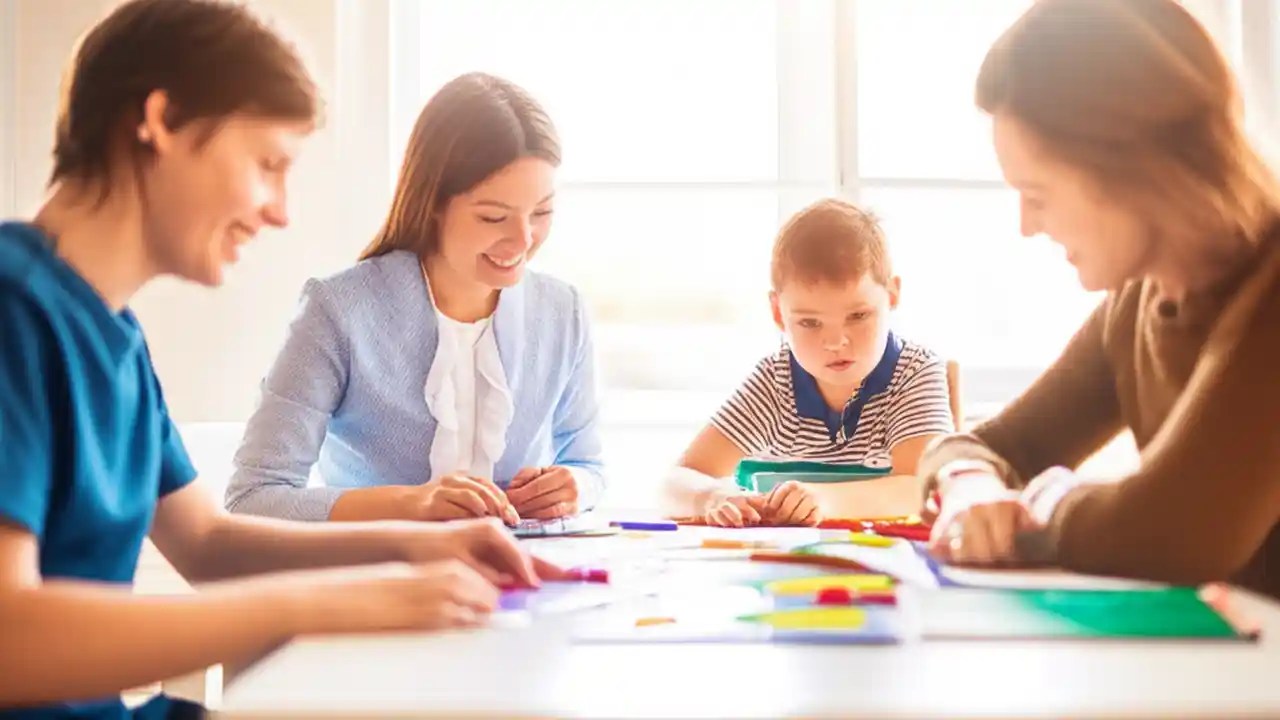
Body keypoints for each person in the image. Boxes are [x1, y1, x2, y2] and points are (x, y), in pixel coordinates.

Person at [0, 3, 560, 717]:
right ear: (162, 122)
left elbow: (206, 542)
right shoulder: (14, 309)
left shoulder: (115, 337)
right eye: (268, 165)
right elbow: (8, 638)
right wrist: (346, 597)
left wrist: (428, 546)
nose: (280, 211)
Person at [919, 0, 1280, 599]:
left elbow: (1173, 533)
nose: (1026, 226)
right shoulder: (1140, 302)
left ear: (1133, 167)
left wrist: (1045, 500)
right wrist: (969, 485)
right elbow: (989, 444)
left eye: (1038, 193)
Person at [225, 72, 605, 525]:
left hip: (522, 578)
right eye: (493, 217)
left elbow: (589, 466)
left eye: (542, 212)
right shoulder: (339, 310)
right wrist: (411, 504)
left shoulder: (564, 312)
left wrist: (574, 488)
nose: (523, 239)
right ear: (433, 203)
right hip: (382, 579)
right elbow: (254, 498)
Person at [662, 199, 955, 527]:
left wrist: (824, 499)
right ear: (778, 313)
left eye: (858, 316)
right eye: (810, 323)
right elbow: (676, 480)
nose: (835, 342)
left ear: (892, 295)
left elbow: (921, 487)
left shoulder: (914, 371)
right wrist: (712, 497)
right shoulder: (775, 381)